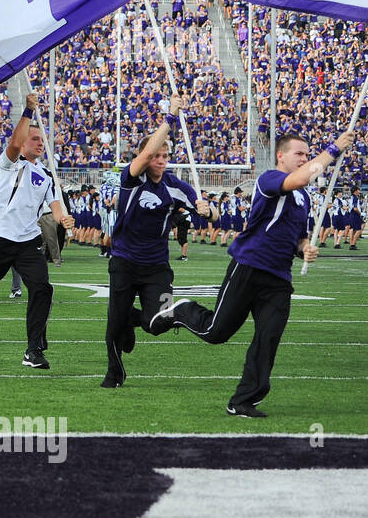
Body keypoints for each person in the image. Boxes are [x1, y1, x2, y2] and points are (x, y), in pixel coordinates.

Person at [149, 127, 356, 417]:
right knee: (215, 332)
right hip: (249, 266)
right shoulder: (270, 179)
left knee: (268, 337)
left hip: (279, 279)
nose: (304, 159)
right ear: (281, 156)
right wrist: (333, 149)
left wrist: (306, 247)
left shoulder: (304, 199)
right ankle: (182, 310)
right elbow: (300, 178)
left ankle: (244, 400)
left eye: (307, 155)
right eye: (299, 154)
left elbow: (299, 237)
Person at [0, 93, 75, 369]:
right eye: (34, 139)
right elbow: (13, 143)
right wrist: (28, 111)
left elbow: (54, 203)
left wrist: (63, 218)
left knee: (42, 288)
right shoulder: (10, 163)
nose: (40, 143)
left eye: (42, 140)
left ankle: (34, 350)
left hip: (27, 241)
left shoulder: (46, 173)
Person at [101, 95, 214, 389]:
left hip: (156, 267)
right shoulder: (132, 179)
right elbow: (148, 149)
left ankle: (181, 310)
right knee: (115, 320)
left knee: (158, 322)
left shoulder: (175, 186)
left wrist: (207, 209)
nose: (161, 161)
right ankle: (114, 372)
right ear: (144, 158)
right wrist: (171, 117)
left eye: (165, 156)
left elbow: (206, 208)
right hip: (124, 262)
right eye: (156, 156)